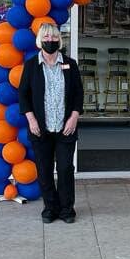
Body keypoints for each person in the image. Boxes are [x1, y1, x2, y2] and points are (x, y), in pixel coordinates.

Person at [19, 23, 84, 224]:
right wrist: (31, 119)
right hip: (41, 129)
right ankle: (50, 208)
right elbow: (23, 95)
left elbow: (78, 94)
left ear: (59, 40)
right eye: (46, 37)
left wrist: (74, 117)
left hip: (66, 128)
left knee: (65, 169)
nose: (50, 41)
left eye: (54, 37)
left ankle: (67, 210)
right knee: (44, 170)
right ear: (40, 40)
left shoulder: (70, 64)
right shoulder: (31, 66)